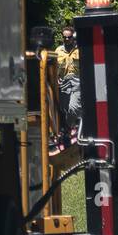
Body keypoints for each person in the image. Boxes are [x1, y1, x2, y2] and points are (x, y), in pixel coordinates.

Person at [51, 26, 81, 154]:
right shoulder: (58, 51)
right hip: (63, 83)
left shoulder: (79, 50)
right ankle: (66, 132)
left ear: (73, 37)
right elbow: (53, 67)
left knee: (73, 108)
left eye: (69, 37)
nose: (66, 39)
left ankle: (71, 127)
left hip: (77, 83)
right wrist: (55, 78)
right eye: (64, 37)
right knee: (63, 109)